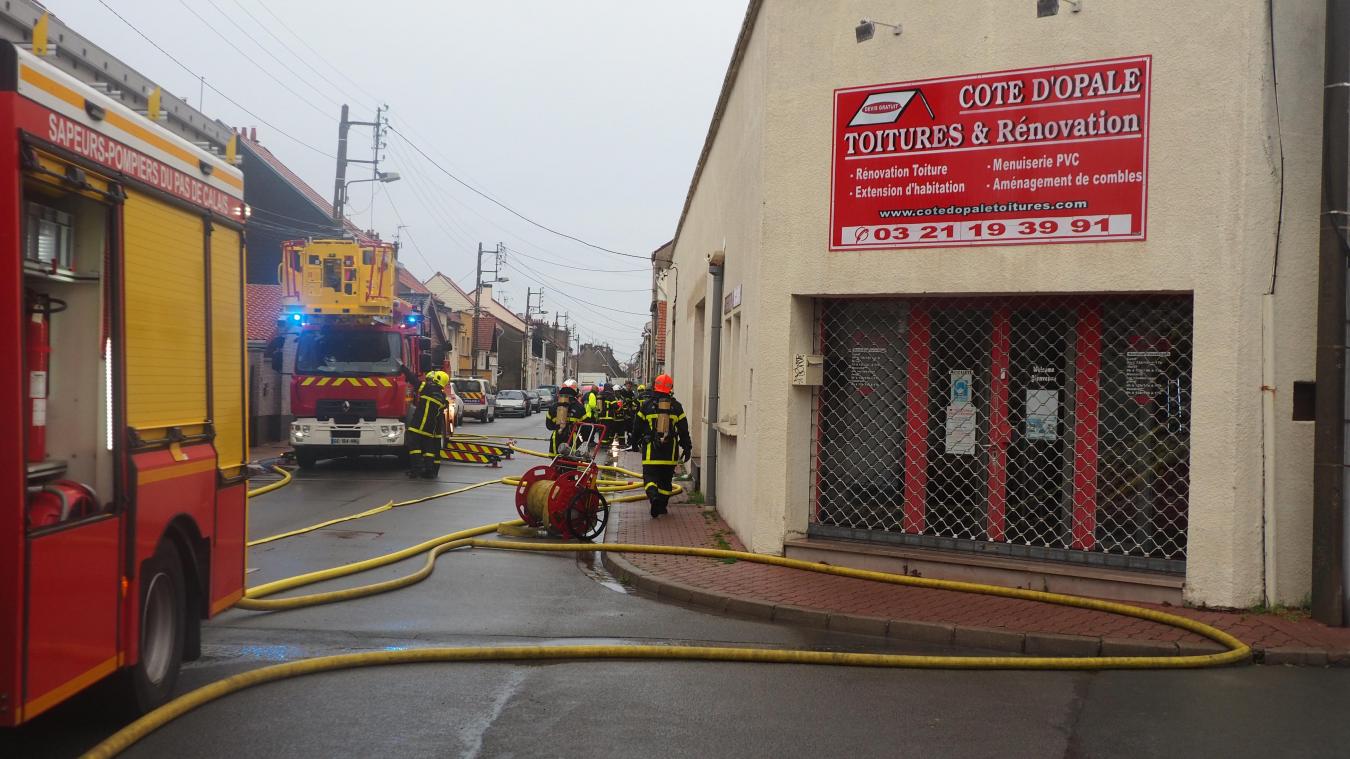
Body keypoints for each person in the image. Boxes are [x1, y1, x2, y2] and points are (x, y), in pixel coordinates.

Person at [634, 374, 692, 518]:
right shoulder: (676, 407)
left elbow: (637, 427)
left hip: (650, 452)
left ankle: (653, 497)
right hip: (669, 452)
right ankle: (662, 506)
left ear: (655, 386)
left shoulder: (646, 405)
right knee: (666, 481)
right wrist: (687, 447)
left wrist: (634, 441)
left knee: (650, 478)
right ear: (670, 388)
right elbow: (684, 429)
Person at [406, 370, 448, 478]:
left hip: (418, 425)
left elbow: (414, 381)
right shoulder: (443, 397)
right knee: (428, 450)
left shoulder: (428, 388)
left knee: (414, 446)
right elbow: (443, 408)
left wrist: (404, 369)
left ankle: (416, 470)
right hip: (430, 429)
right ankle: (429, 470)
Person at [546, 379, 587, 454]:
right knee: (570, 463)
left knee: (556, 463)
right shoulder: (579, 407)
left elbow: (549, 426)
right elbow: (585, 428)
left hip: (556, 441)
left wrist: (558, 427)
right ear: (576, 392)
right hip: (572, 441)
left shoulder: (553, 406)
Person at [627, 383, 649, 452]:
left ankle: (635, 447)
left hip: (639, 417)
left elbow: (634, 407)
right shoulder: (649, 396)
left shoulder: (639, 397)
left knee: (635, 432)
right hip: (648, 417)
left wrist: (634, 413)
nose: (640, 392)